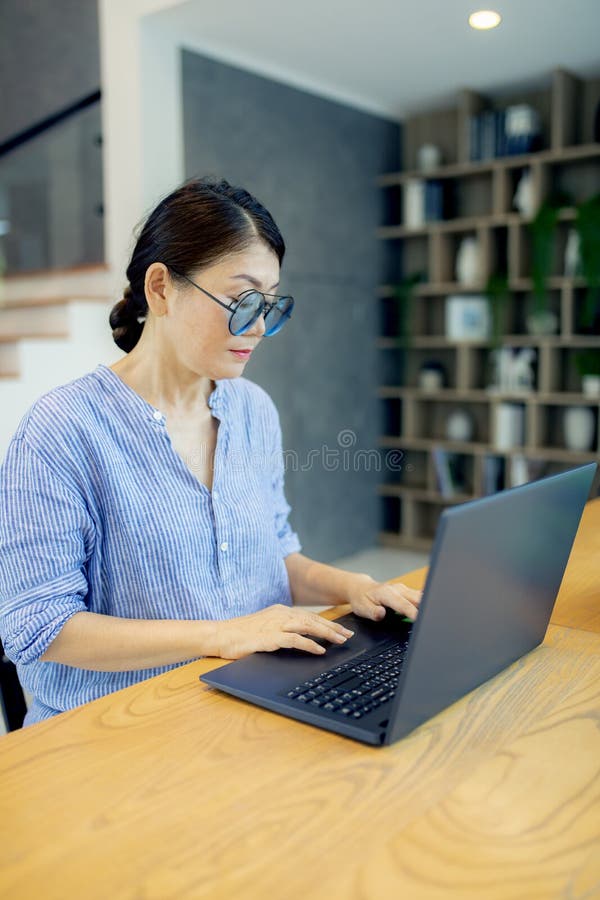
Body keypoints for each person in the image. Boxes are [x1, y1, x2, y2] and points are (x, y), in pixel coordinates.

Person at [0, 177, 421, 727]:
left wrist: (355, 587)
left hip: (245, 702)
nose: (260, 327)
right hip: (111, 727)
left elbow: (273, 556)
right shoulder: (61, 430)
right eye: (242, 301)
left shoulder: (252, 410)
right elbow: (39, 626)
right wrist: (222, 635)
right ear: (161, 289)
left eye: (269, 304)